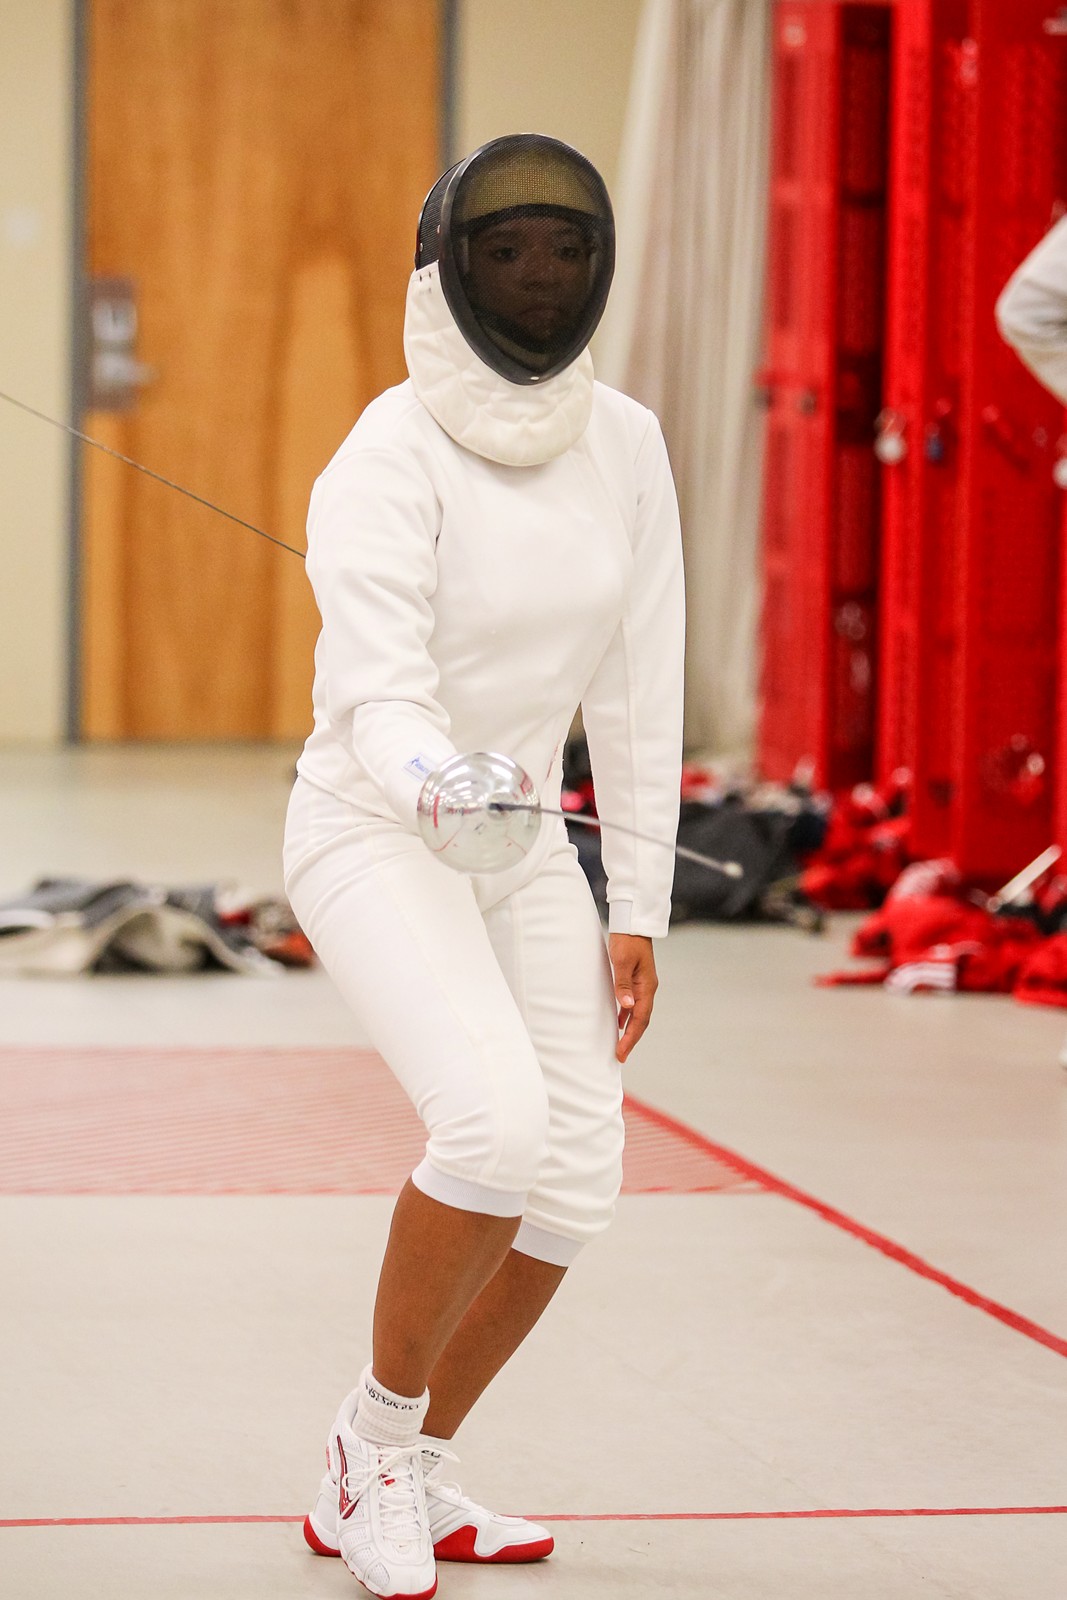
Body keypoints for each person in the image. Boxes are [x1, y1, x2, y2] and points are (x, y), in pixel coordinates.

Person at [282, 133, 685, 1600]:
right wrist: (436, 775)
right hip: (378, 828)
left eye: (564, 253)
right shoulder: (386, 453)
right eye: (506, 251)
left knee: (577, 1173)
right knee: (494, 1127)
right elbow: (374, 692)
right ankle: (370, 1448)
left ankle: (412, 1459)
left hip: (524, 847)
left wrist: (634, 904)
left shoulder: (624, 443)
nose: (535, 277)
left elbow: (644, 688)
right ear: (448, 267)